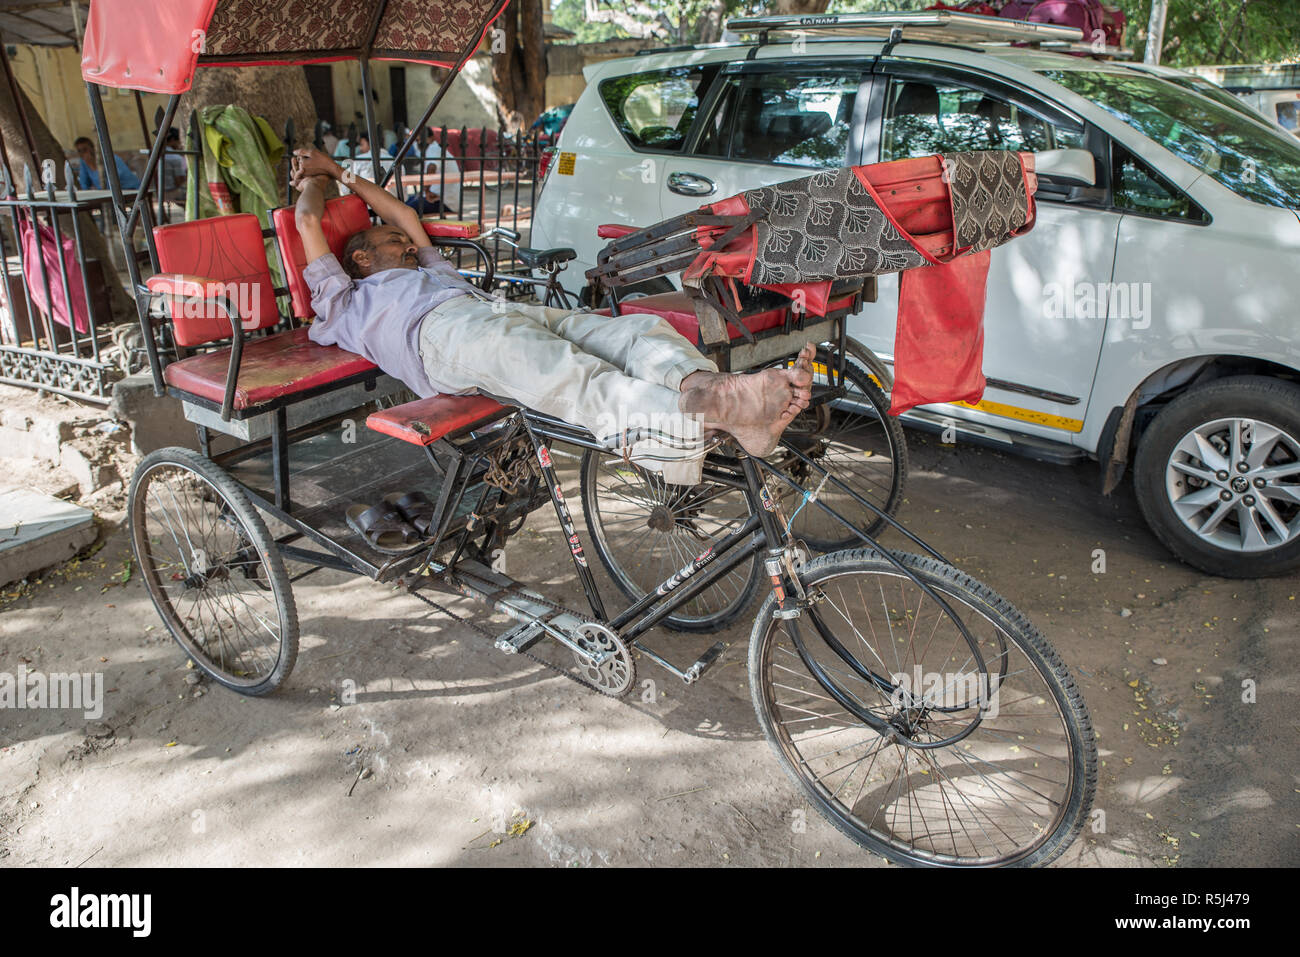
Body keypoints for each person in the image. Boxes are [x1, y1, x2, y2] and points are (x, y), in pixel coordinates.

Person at [289, 147, 813, 476]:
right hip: (443, 341)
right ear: (359, 258)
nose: (408, 244)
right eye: (392, 241)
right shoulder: (346, 299)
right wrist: (317, 173)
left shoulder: (428, 268)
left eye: (408, 242)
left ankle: (712, 391)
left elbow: (404, 211)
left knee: (632, 333)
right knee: (568, 373)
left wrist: (342, 171)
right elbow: (308, 219)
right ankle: (705, 415)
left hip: (493, 311)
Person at [74, 136, 140, 190]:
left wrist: (93, 166)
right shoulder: (84, 162)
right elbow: (84, 183)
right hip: (109, 195)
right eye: (79, 151)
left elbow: (113, 182)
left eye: (85, 149)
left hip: (130, 189)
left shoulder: (110, 158)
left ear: (93, 148)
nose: (83, 153)